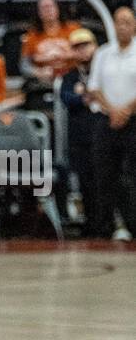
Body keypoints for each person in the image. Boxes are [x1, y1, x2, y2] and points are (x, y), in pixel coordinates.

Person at [86, 7, 136, 241]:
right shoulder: (103, 53)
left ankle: (132, 223)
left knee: (131, 174)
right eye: (118, 22)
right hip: (106, 120)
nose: (122, 26)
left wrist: (126, 110)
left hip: (133, 121)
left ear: (134, 25)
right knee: (105, 174)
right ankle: (107, 225)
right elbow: (94, 87)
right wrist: (113, 110)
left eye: (127, 22)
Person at [59, 28, 100, 237]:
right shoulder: (69, 77)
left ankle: (113, 222)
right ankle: (92, 224)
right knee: (86, 183)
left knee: (109, 180)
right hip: (80, 137)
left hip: (103, 134)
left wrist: (85, 95)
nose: (83, 51)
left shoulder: (103, 70)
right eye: (77, 47)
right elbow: (67, 99)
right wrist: (85, 96)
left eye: (86, 45)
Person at [20, 0, 79, 81]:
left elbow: (86, 53)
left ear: (57, 8)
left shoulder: (74, 29)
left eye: (51, 6)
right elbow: (24, 65)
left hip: (72, 77)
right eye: (44, 7)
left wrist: (62, 56)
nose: (48, 10)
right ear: (39, 12)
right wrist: (38, 72)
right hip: (43, 81)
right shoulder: (31, 35)